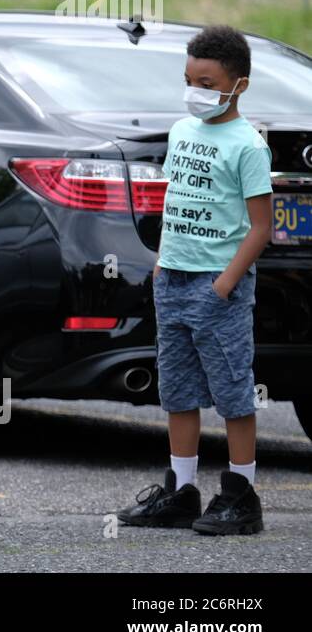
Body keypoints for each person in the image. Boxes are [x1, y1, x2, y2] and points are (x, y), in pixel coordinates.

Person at [117, 26, 271, 536]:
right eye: (189, 80)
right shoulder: (183, 132)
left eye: (207, 83)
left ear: (238, 85)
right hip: (174, 280)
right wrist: (162, 259)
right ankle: (181, 492)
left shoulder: (248, 145)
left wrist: (225, 284)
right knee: (178, 392)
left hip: (217, 285)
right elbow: (175, 199)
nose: (195, 91)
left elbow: (261, 226)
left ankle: (241, 497)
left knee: (232, 394)